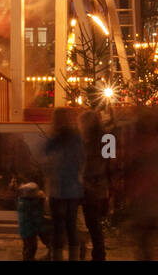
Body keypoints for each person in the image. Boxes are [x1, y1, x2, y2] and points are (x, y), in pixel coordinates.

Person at [42, 107, 84, 261]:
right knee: (71, 225)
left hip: (57, 188)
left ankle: (57, 256)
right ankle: (74, 257)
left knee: (58, 227)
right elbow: (81, 160)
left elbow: (46, 161)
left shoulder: (54, 140)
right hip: (73, 188)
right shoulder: (77, 138)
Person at [79, 110, 112, 261]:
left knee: (92, 222)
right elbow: (110, 162)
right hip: (98, 185)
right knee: (93, 222)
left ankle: (98, 253)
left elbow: (108, 163)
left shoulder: (91, 141)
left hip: (93, 185)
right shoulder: (107, 138)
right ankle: (98, 253)